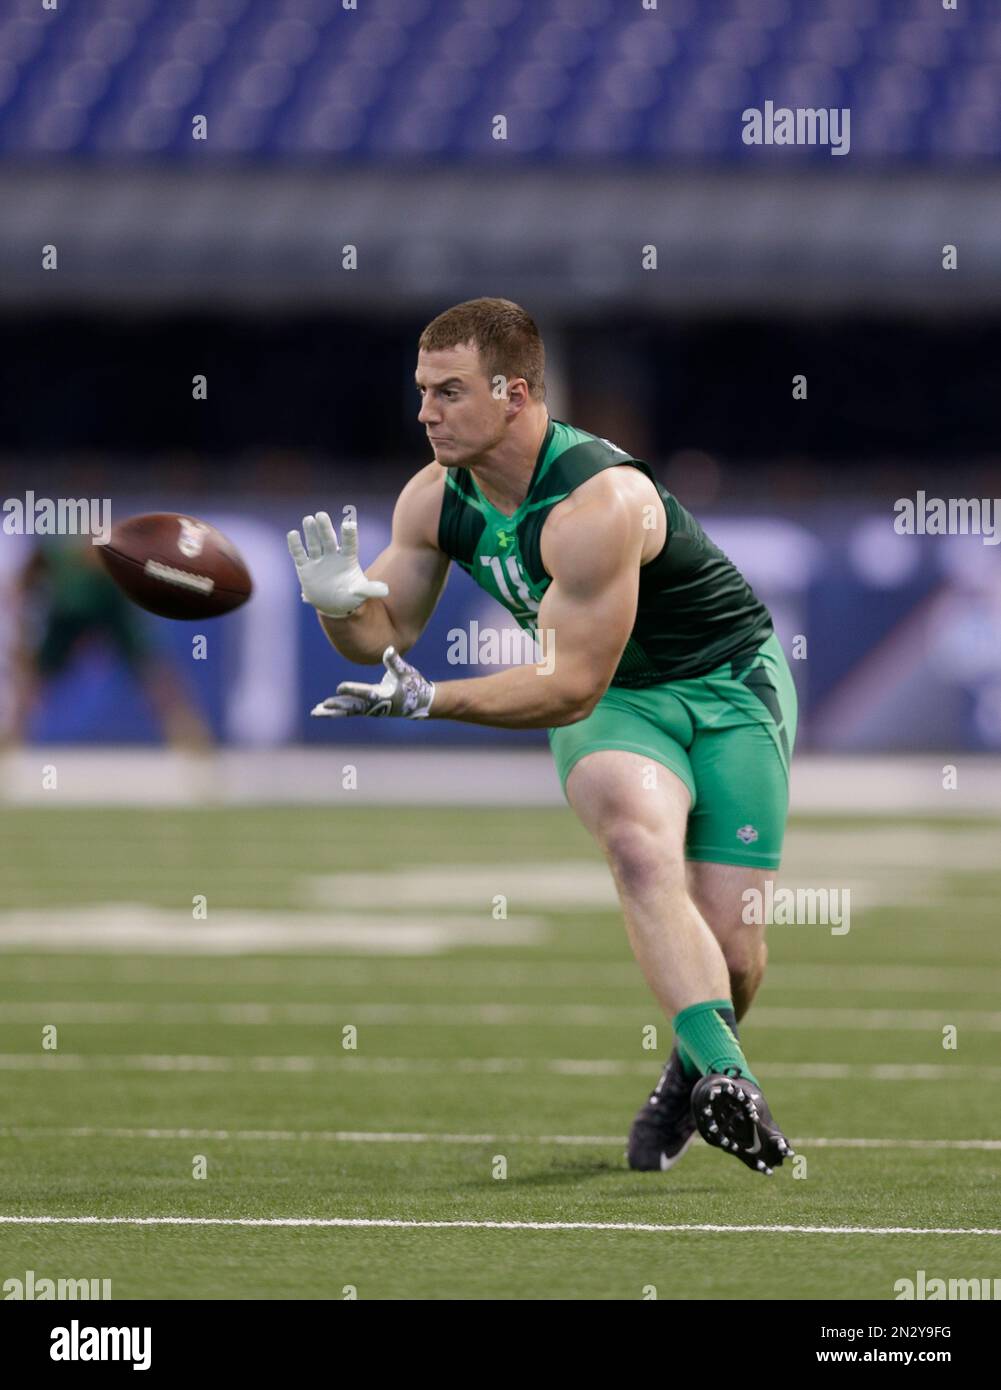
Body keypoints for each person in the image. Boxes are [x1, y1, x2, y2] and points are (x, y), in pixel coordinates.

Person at [287, 298, 798, 1176]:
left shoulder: (599, 502)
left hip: (727, 686)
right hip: (619, 707)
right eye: (421, 391)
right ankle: (728, 1082)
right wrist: (337, 609)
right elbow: (385, 638)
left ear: (515, 394)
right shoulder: (432, 498)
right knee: (639, 850)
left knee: (734, 947)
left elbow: (566, 684)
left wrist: (430, 702)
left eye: (449, 392)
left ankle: (689, 1073)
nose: (424, 412)